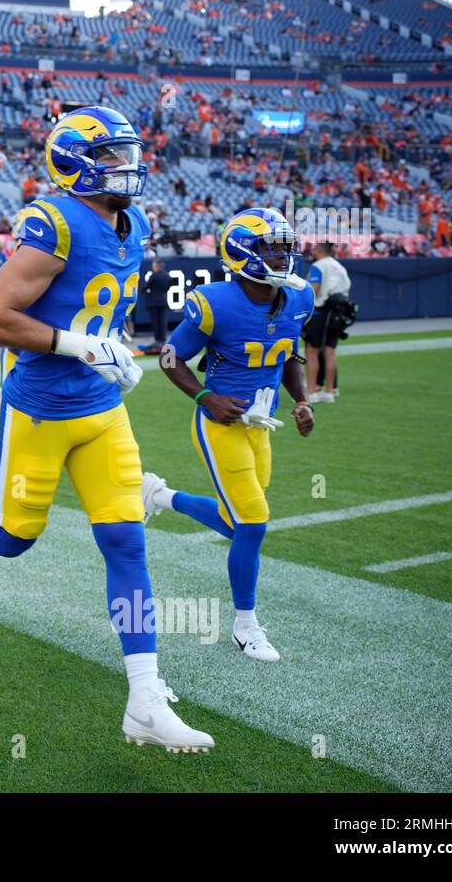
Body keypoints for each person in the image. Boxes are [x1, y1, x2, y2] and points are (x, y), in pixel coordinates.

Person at [0, 106, 213, 753]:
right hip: (39, 408)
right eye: (114, 156)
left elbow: (98, 304)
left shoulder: (136, 222)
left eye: (128, 154)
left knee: (126, 543)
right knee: (14, 539)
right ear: (76, 163)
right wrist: (80, 345)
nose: (128, 168)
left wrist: (112, 348)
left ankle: (144, 699)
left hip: (100, 411)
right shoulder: (56, 223)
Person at [146, 208, 316, 664]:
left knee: (236, 521)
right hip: (221, 426)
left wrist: (302, 401)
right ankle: (246, 626)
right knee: (254, 521)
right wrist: (205, 397)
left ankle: (161, 497)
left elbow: (289, 355)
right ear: (242, 252)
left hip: (263, 426)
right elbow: (168, 357)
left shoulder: (298, 299)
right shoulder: (216, 301)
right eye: (271, 248)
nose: (282, 256)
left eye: (285, 246)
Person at [303, 241, 351, 403]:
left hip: (321, 311)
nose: (313, 252)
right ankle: (329, 391)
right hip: (339, 311)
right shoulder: (340, 267)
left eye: (315, 249)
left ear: (321, 251)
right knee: (330, 351)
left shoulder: (319, 266)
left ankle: (311, 392)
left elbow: (313, 289)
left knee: (312, 351)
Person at [142, 258, 171, 349]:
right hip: (164, 302)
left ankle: (158, 341)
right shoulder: (167, 276)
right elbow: (168, 287)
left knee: (156, 322)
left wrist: (145, 292)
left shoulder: (154, 276)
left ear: (156, 266)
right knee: (163, 321)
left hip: (153, 303)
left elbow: (146, 288)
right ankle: (163, 340)